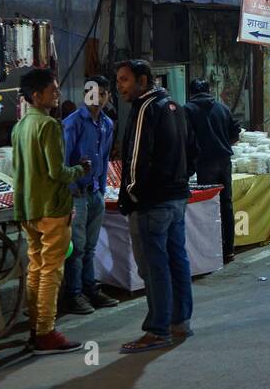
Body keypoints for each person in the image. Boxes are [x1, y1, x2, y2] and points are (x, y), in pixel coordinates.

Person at [116, 59, 194, 353]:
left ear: (143, 80)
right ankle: (180, 322)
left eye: (124, 80)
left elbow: (136, 158)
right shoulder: (175, 106)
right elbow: (192, 149)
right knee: (177, 261)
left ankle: (158, 330)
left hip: (153, 203)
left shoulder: (145, 108)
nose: (120, 87)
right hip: (177, 199)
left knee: (154, 266)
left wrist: (132, 194)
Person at [12, 69, 87, 354]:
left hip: (28, 208)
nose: (57, 94)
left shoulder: (19, 127)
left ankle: (35, 328)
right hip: (52, 208)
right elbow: (57, 171)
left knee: (36, 267)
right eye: (53, 90)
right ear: (36, 95)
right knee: (51, 271)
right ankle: (45, 332)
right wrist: (80, 169)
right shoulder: (49, 125)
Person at [60, 75, 119, 315]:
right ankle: (74, 295)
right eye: (92, 93)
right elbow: (63, 161)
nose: (97, 99)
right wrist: (72, 190)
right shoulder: (71, 123)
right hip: (76, 194)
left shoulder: (107, 125)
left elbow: (104, 159)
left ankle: (90, 289)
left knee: (91, 246)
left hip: (95, 192)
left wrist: (102, 188)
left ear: (107, 97)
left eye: (102, 94)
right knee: (77, 247)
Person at [184, 79, 242, 264]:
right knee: (226, 205)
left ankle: (210, 252)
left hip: (204, 164)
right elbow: (235, 134)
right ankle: (229, 251)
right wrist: (222, 144)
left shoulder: (188, 110)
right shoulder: (222, 108)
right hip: (224, 162)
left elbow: (185, 139)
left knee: (207, 206)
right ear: (209, 90)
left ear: (191, 92)